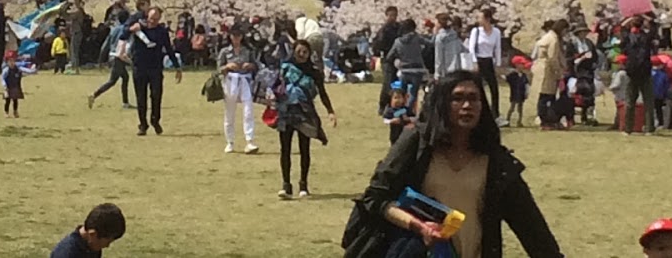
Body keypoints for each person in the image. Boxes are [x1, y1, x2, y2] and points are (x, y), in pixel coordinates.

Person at [342, 69, 565, 258]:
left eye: (473, 98)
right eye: (457, 98)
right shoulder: (417, 144)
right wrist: (418, 226)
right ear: (442, 104)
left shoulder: (496, 161)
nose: (467, 105)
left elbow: (531, 227)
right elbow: (375, 198)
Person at [274, 39, 336, 199]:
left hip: (305, 113)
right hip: (286, 111)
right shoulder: (285, 68)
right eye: (299, 51)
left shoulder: (314, 72)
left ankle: (303, 185)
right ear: (293, 51)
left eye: (305, 52)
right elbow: (275, 87)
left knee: (304, 149)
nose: (301, 55)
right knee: (285, 149)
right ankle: (286, 186)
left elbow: (322, 92)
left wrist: (330, 111)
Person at [126, 7, 182, 135]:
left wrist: (177, 67)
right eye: (151, 18)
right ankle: (143, 125)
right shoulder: (139, 27)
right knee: (141, 97)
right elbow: (123, 34)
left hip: (155, 68)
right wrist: (130, 29)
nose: (153, 21)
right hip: (139, 67)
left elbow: (169, 49)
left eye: (156, 19)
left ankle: (155, 121)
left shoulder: (161, 32)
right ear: (147, 17)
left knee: (156, 96)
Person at [215, 26, 260, 154]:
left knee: (248, 111)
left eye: (238, 36)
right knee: (229, 113)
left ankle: (250, 141)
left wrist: (249, 65)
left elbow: (256, 65)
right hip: (230, 81)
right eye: (234, 36)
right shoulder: (225, 51)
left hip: (245, 80)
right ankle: (230, 141)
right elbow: (218, 69)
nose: (236, 38)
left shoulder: (248, 50)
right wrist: (227, 66)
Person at [618, 17, 656, 135]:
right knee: (648, 101)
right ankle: (649, 128)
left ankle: (628, 128)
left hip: (632, 72)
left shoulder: (628, 38)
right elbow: (654, 27)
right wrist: (644, 16)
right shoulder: (646, 37)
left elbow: (621, 27)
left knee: (630, 101)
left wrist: (629, 18)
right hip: (645, 71)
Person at [468, 9, 506, 122]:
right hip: (478, 60)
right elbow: (471, 48)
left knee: (494, 87)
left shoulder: (496, 32)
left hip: (489, 60)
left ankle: (495, 113)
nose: (479, 20)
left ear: (488, 19)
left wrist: (498, 63)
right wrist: (474, 62)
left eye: (481, 18)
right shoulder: (476, 31)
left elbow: (497, 48)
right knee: (478, 87)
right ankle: (479, 112)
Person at [49, 203, 126, 258]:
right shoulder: (66, 253)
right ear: (93, 234)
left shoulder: (91, 245)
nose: (107, 246)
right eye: (107, 242)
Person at [532, 20, 569, 130]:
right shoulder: (553, 39)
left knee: (547, 96)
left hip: (542, 68)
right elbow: (552, 58)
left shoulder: (548, 36)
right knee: (546, 97)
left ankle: (550, 120)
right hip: (547, 70)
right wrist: (558, 72)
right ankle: (545, 121)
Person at [387, 20, 430, 101]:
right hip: (417, 69)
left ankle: (402, 107)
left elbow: (389, 56)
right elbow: (430, 43)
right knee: (413, 94)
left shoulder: (397, 41)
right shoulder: (417, 38)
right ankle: (409, 108)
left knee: (402, 93)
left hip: (404, 69)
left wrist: (398, 58)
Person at [374, 6, 403, 112]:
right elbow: (377, 45)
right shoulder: (384, 30)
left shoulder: (399, 28)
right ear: (386, 16)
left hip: (398, 59)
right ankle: (383, 105)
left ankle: (395, 104)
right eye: (390, 15)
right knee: (388, 82)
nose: (392, 17)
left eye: (394, 15)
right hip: (387, 59)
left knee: (396, 83)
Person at [505, 57, 530, 127]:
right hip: (514, 93)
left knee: (520, 108)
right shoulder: (512, 75)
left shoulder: (524, 75)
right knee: (512, 107)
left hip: (521, 93)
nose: (523, 66)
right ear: (517, 65)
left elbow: (526, 84)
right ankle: (507, 120)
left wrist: (527, 92)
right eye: (522, 64)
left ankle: (519, 121)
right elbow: (506, 79)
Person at [1, 52, 24, 118]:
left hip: (15, 87)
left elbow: (21, 74)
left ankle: (15, 111)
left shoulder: (17, 69)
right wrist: (4, 86)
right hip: (8, 87)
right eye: (10, 61)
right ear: (7, 62)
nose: (12, 62)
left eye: (13, 61)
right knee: (7, 100)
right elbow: (2, 78)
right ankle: (6, 112)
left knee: (15, 100)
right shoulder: (6, 70)